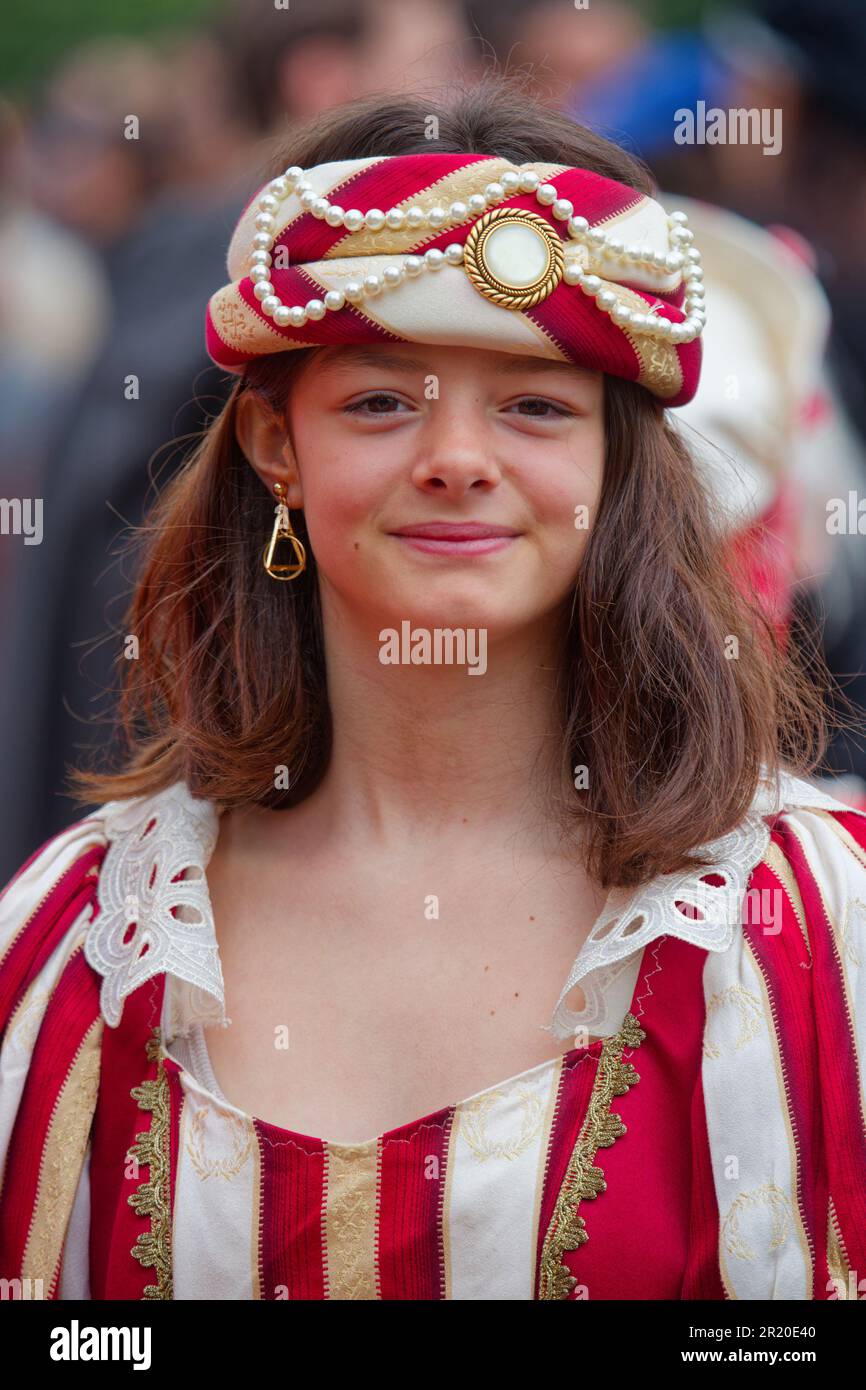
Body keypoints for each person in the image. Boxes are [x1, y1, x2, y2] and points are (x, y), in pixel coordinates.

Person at [1, 80, 864, 1303]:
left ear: (616, 462)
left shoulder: (821, 932)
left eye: (532, 406)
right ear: (273, 448)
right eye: (378, 401)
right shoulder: (71, 947)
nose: (456, 459)